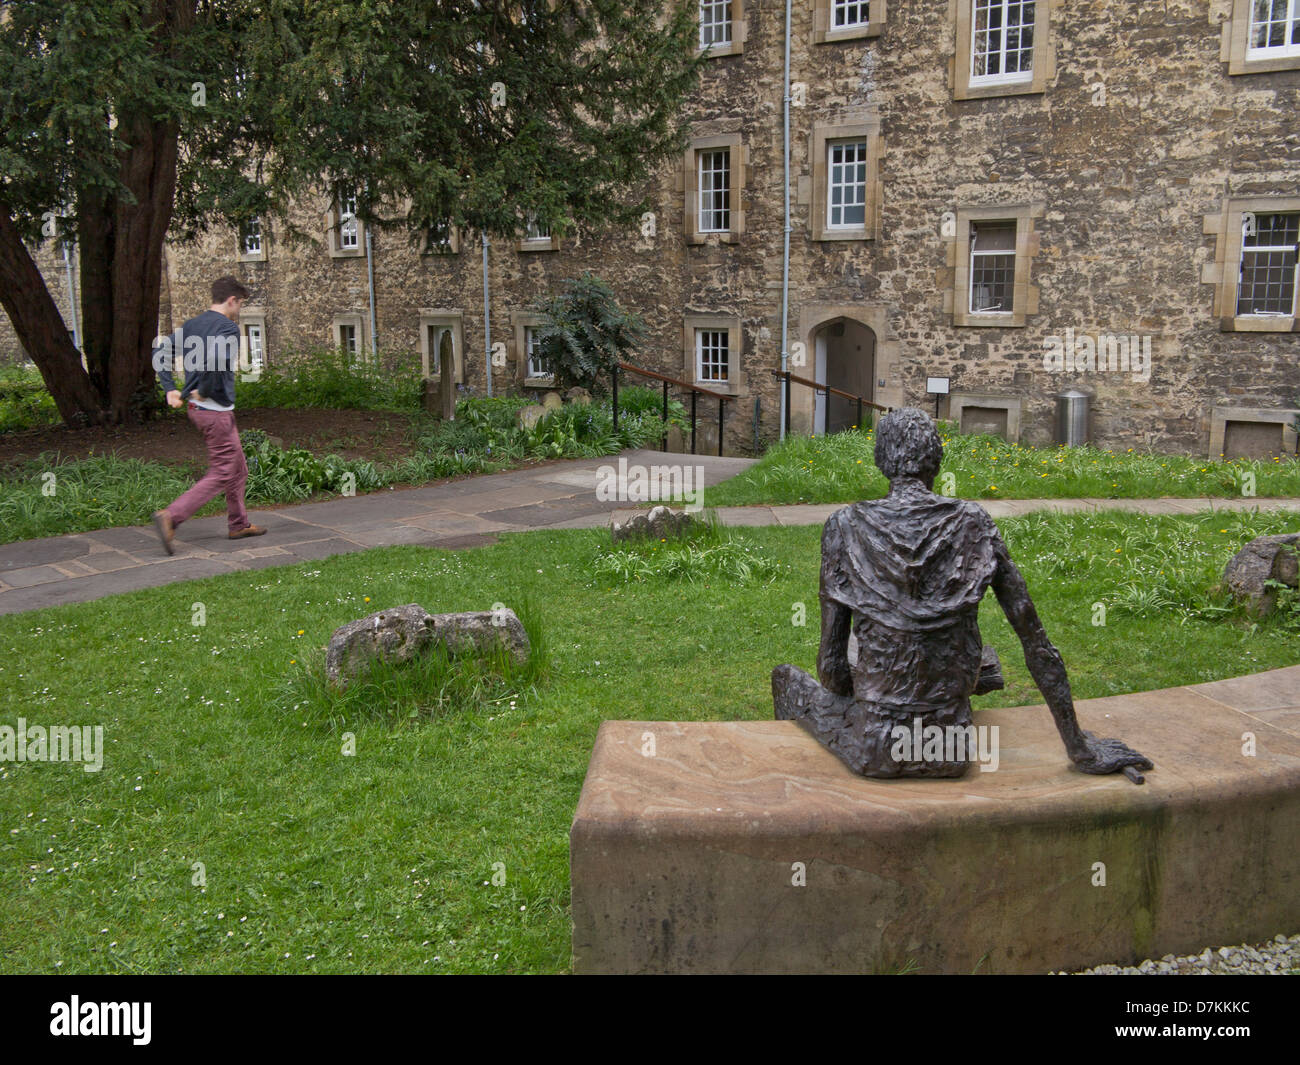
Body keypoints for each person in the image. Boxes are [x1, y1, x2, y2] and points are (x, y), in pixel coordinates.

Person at [773, 407, 1152, 784]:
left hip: (876, 746)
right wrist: (1080, 749)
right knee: (975, 659)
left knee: (787, 679)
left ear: (881, 461)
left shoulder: (843, 526)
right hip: (950, 749)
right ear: (936, 461)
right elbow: (1036, 643)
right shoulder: (975, 522)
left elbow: (833, 672)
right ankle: (968, 675)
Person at [152, 276, 265, 554]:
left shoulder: (192, 325)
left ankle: (238, 524)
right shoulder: (227, 328)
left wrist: (170, 389)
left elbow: (159, 352)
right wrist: (204, 389)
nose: (238, 311)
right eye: (239, 304)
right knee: (223, 471)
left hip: (202, 410)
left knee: (238, 468)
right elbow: (216, 360)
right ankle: (172, 516)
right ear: (231, 300)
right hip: (214, 412)